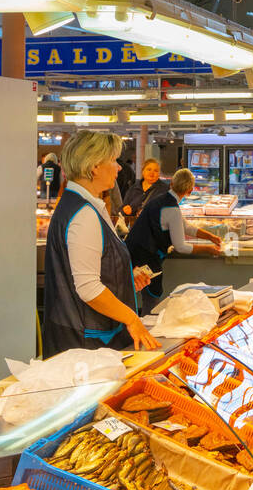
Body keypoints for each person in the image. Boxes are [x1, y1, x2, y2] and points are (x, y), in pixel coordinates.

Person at [42, 131, 158, 356]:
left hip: (86, 340)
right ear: (94, 166)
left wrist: (124, 278)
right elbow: (88, 288)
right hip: (86, 346)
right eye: (113, 161)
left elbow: (87, 268)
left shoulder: (82, 205)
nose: (119, 168)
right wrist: (132, 319)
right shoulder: (83, 214)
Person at [126, 167, 222, 313]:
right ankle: (145, 329)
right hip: (146, 259)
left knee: (129, 297)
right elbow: (180, 247)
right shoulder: (172, 209)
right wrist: (208, 249)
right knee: (150, 301)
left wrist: (210, 237)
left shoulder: (161, 200)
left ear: (171, 184)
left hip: (131, 254)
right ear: (189, 191)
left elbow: (185, 227)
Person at [121, 157, 170, 224]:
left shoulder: (165, 189)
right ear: (143, 171)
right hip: (135, 227)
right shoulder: (133, 188)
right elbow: (122, 210)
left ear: (159, 174)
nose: (152, 173)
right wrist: (125, 211)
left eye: (156, 171)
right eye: (149, 169)